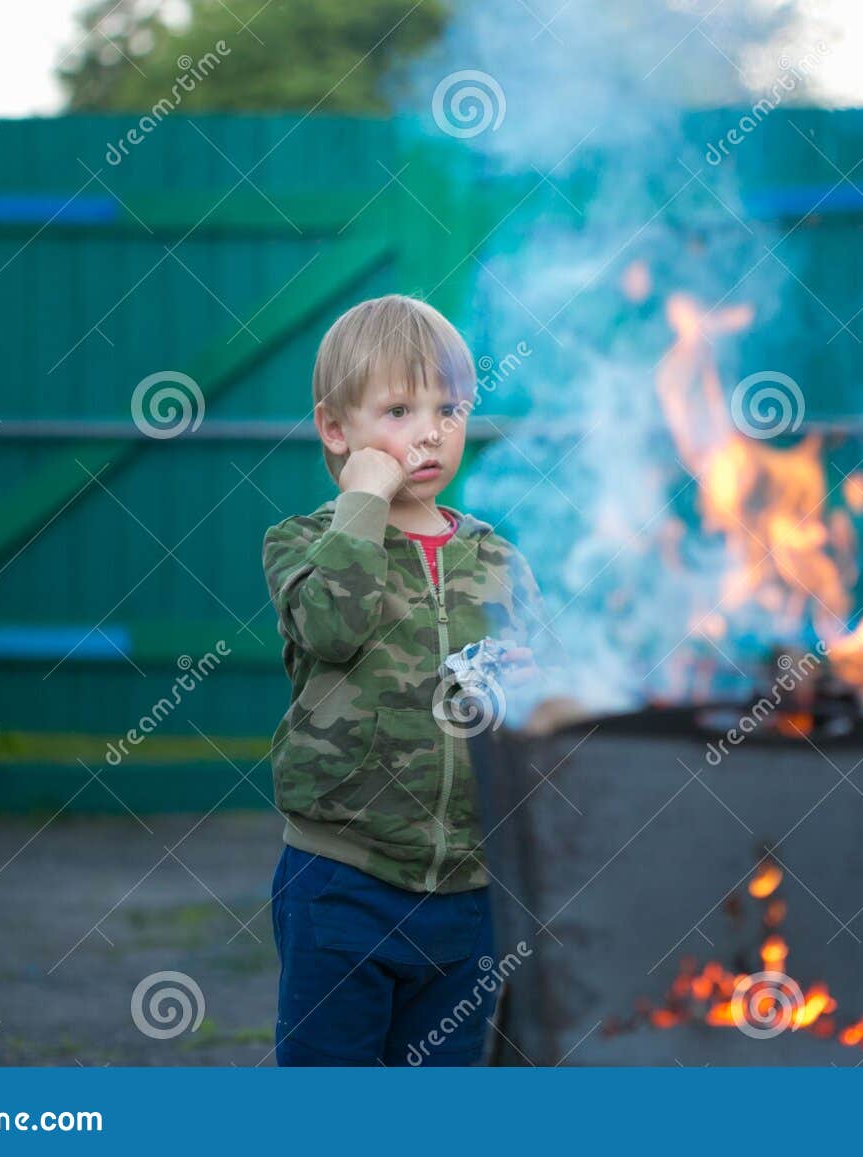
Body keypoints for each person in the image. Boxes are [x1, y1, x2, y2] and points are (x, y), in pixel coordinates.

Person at [262, 294, 555, 1066]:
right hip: (343, 881)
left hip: (469, 892)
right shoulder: (304, 543)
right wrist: (362, 500)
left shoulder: (497, 559)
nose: (431, 431)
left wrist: (535, 689)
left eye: (450, 408)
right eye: (399, 409)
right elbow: (333, 625)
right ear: (336, 428)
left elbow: (554, 701)